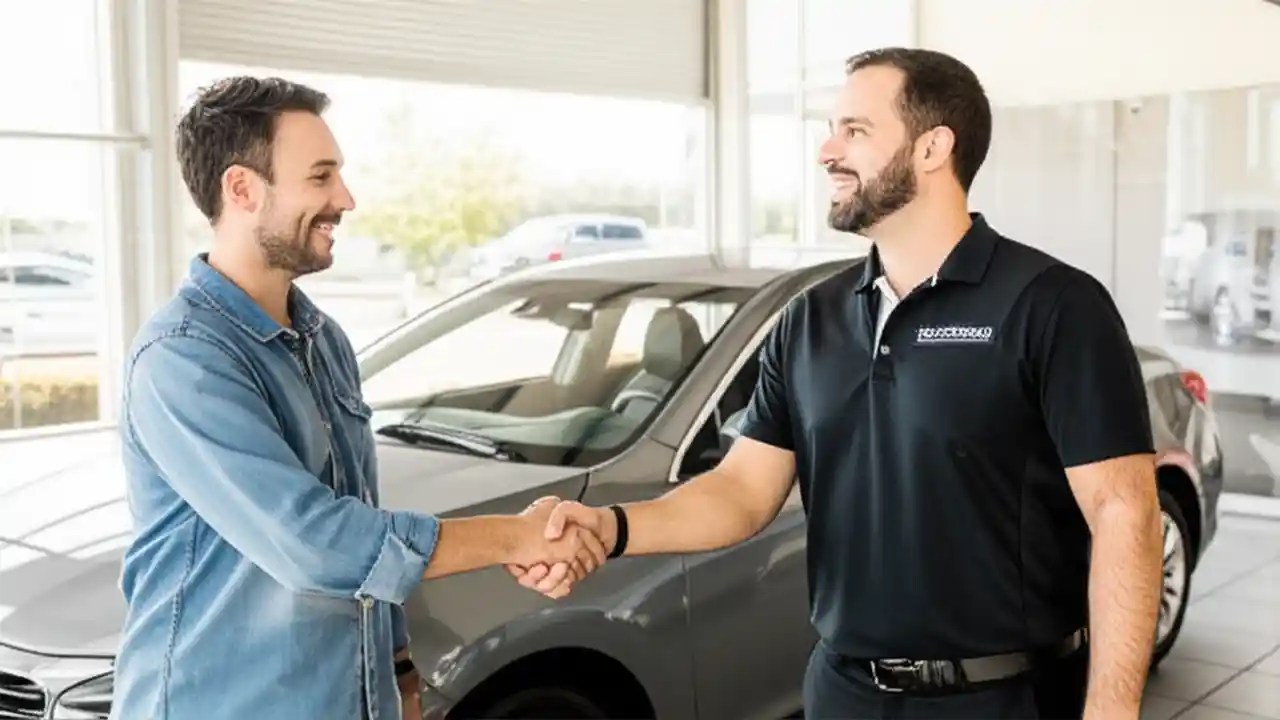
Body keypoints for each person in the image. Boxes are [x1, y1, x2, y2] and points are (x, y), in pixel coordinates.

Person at [514, 48, 1163, 719]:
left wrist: (1111, 711)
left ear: (934, 146)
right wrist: (608, 527)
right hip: (842, 693)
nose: (827, 150)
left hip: (1003, 697)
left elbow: (1124, 516)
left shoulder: (1052, 305)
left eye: (855, 129)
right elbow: (741, 492)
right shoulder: (809, 320)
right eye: (831, 129)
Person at [110, 77, 603, 720]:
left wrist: (398, 671)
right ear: (241, 189)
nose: (345, 198)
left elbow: (359, 510)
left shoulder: (321, 338)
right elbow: (317, 544)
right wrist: (516, 537)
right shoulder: (184, 359)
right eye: (320, 177)